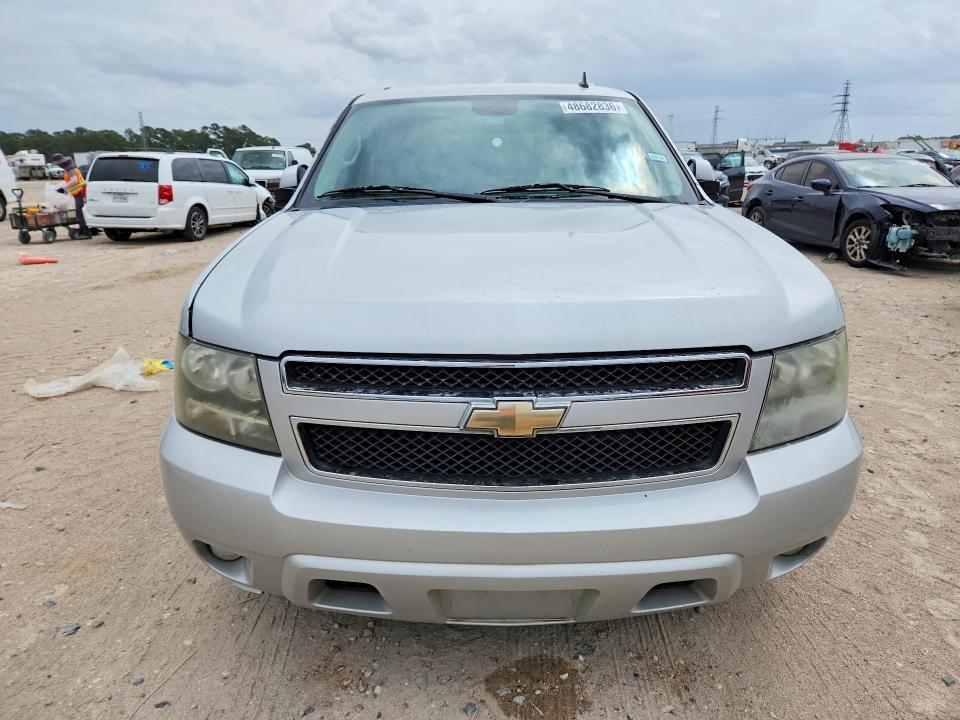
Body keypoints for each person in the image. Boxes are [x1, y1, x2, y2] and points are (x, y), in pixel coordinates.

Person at [51, 153, 91, 238]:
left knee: (80, 213)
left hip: (80, 192)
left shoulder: (70, 169)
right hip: (79, 192)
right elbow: (71, 181)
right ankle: (85, 229)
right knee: (81, 212)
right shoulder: (69, 168)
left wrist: (63, 188)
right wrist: (63, 188)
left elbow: (74, 180)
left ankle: (85, 233)